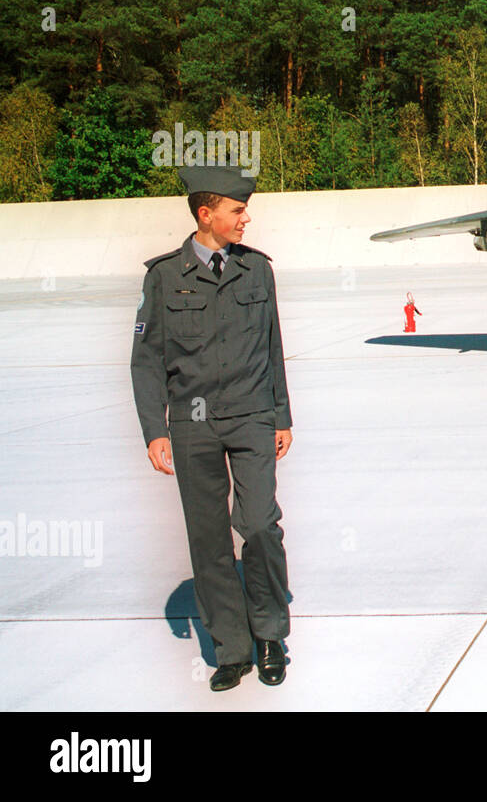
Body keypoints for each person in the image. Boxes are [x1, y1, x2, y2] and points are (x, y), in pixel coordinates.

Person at [130, 162, 293, 691]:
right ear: (207, 214)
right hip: (193, 425)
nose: (247, 219)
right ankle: (232, 648)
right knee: (207, 539)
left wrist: (282, 416)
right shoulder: (163, 277)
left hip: (251, 416)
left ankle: (270, 634)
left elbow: (273, 348)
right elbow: (147, 359)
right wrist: (156, 429)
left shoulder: (257, 270)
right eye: (237, 210)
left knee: (261, 526)